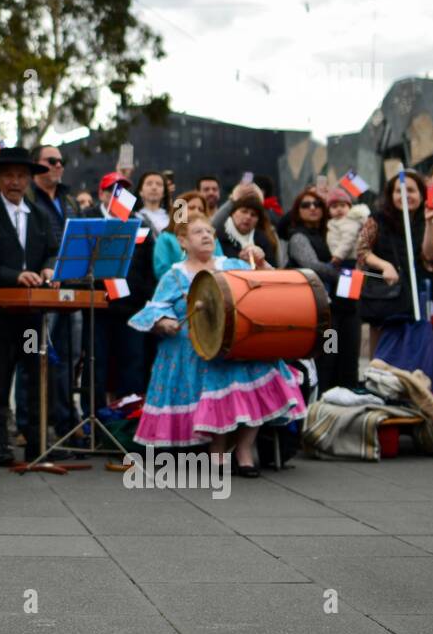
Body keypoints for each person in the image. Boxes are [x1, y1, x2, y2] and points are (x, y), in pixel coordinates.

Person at [128, 216, 305, 476]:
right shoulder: (174, 275)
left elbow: (270, 285)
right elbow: (155, 310)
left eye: (209, 231)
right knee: (212, 367)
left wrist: (261, 260)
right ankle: (218, 452)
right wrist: (165, 322)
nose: (207, 236)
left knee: (261, 362)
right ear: (182, 241)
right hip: (195, 346)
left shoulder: (231, 265)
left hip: (236, 343)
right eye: (198, 232)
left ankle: (244, 450)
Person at [0, 147, 58, 464]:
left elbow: (52, 250)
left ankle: (35, 439)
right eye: (8, 175)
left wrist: (49, 268)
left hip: (30, 313)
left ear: (30, 179)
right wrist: (16, 275)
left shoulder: (40, 215)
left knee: (34, 370)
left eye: (21, 176)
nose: (15, 182)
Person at [78, 172, 156, 405]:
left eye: (124, 191)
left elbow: (148, 268)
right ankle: (94, 419)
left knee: (133, 363)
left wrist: (144, 299)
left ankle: (128, 420)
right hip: (97, 308)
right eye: (113, 190)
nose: (118, 196)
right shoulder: (86, 220)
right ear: (101, 194)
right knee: (96, 363)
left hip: (131, 309)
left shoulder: (138, 223)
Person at [25, 145, 81, 443]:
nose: (58, 166)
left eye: (61, 161)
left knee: (66, 360)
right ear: (36, 166)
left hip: (70, 289)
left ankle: (64, 423)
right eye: (51, 161)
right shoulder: (28, 199)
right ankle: (28, 425)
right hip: (36, 292)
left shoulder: (68, 200)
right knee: (32, 355)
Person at [356, 169, 433, 360]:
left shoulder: (432, 220)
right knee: (382, 361)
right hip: (386, 299)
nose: (405, 196)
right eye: (399, 191)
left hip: (419, 297)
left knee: (416, 358)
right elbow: (362, 252)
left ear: (421, 194)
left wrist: (429, 222)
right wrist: (384, 265)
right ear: (390, 195)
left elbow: (430, 255)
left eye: (411, 190)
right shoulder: (376, 220)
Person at [285, 186, 358, 393]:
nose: (312, 208)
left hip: (347, 305)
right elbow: (312, 265)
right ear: (297, 211)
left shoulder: (331, 231)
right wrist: (345, 274)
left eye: (317, 204)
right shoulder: (298, 237)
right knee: (328, 357)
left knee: (349, 356)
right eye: (305, 205)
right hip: (324, 311)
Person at [153, 191, 221, 281]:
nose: (196, 212)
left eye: (200, 209)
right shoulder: (165, 238)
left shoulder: (212, 239)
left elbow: (221, 267)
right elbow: (162, 271)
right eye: (191, 208)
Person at [211, 184, 279, 267]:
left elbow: (275, 270)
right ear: (232, 213)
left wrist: (261, 262)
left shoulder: (264, 239)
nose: (248, 217)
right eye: (244, 211)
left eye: (253, 215)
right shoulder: (219, 236)